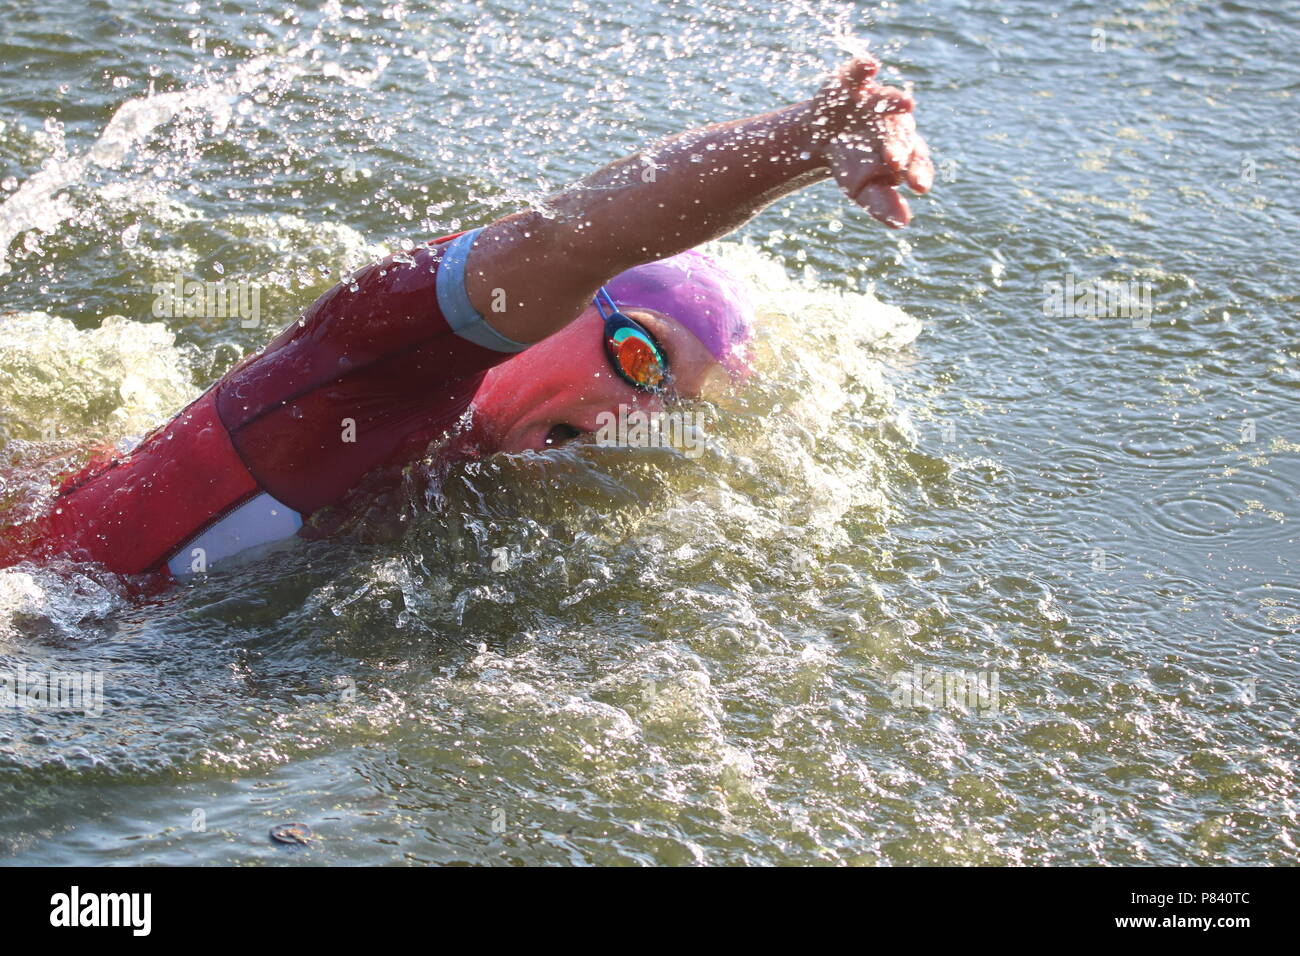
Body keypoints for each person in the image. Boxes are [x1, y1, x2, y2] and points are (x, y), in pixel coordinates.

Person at [0, 55, 932, 581]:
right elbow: (570, 236)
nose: (641, 418)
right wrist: (806, 141)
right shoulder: (377, 360)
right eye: (642, 360)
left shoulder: (469, 483)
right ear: (569, 313)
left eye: (674, 403)